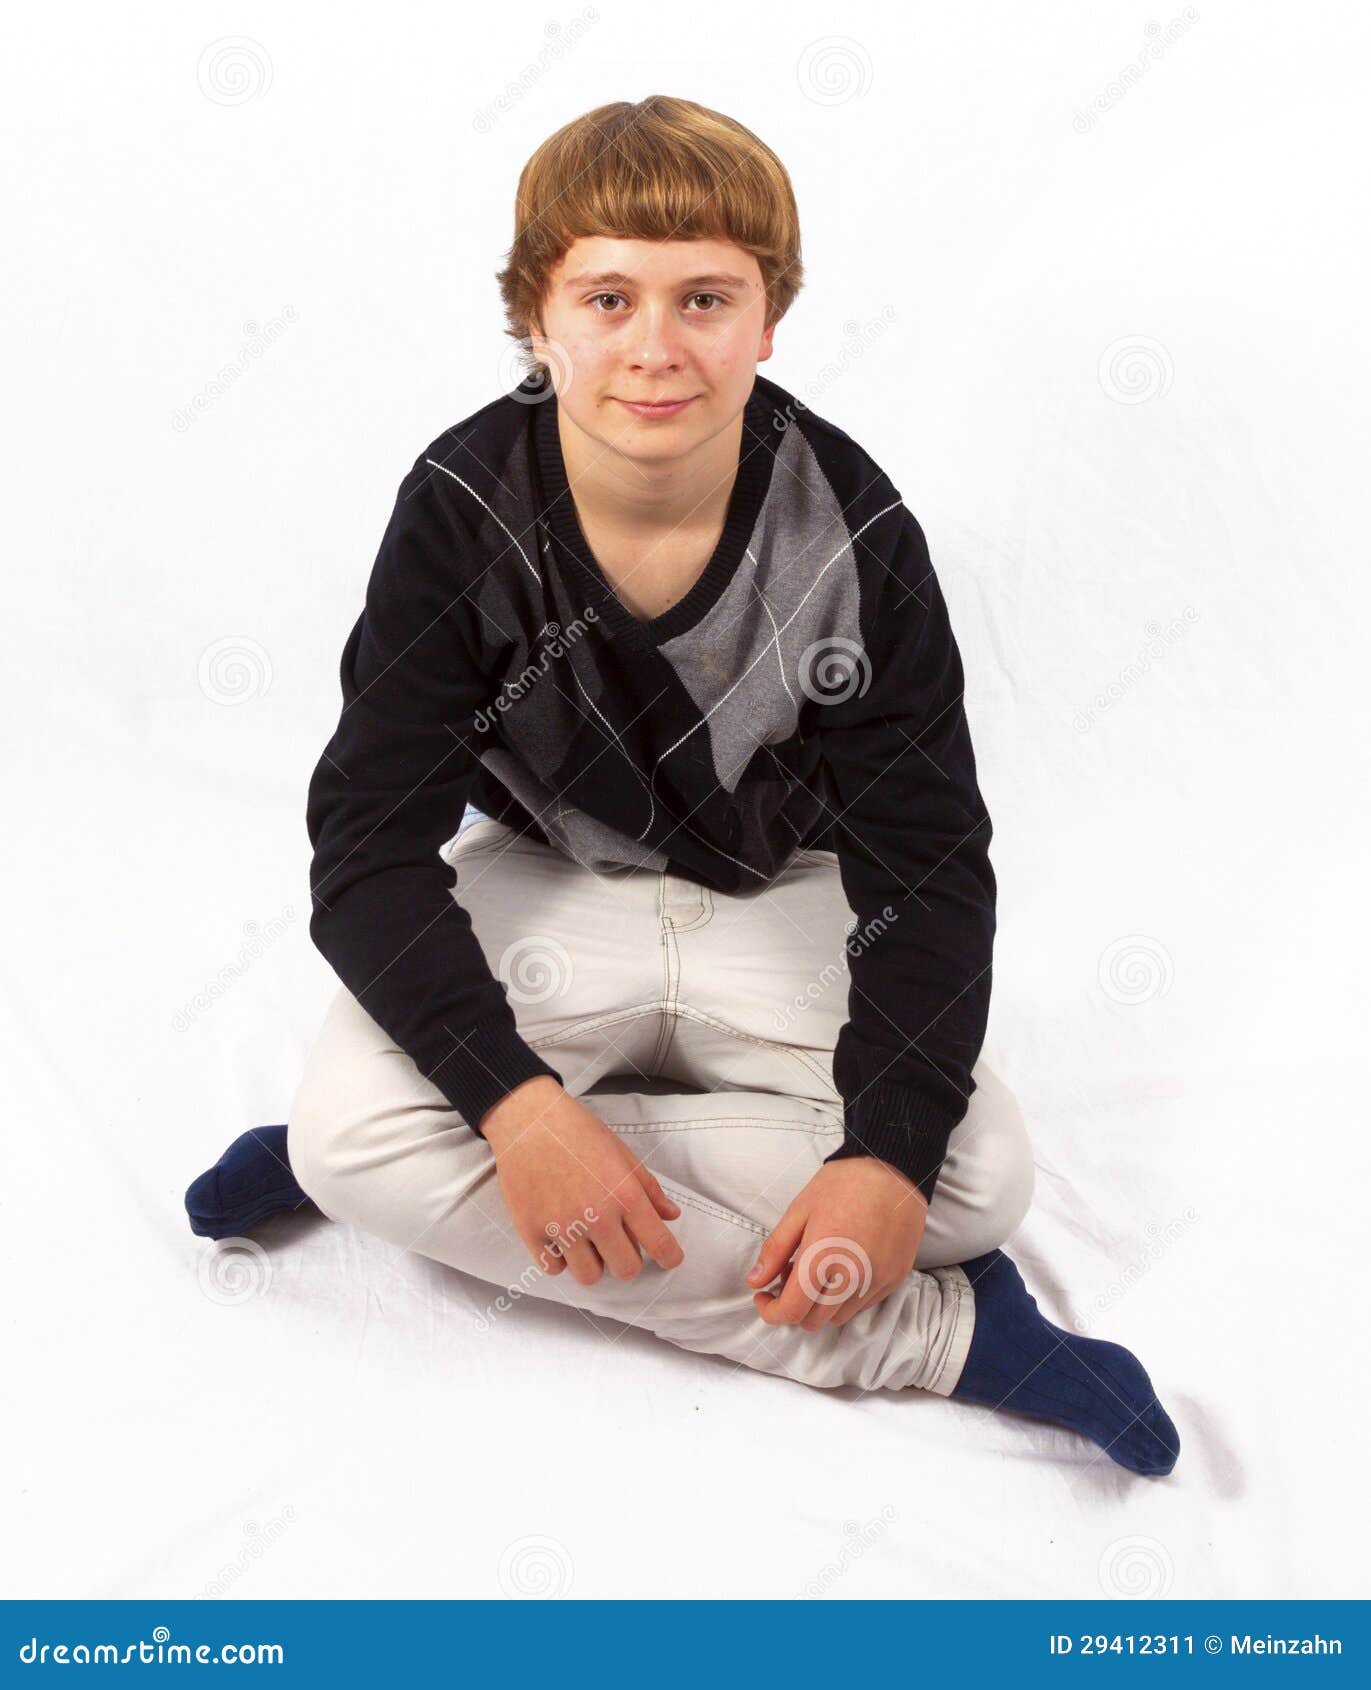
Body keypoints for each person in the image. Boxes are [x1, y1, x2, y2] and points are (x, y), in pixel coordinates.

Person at [189, 95, 1178, 1476]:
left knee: (975, 1176)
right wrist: (518, 1107)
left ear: (769, 318)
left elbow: (931, 864)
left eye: (705, 297)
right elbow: (365, 843)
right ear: (538, 319)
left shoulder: (853, 525)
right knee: (357, 1136)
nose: (656, 346)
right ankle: (934, 1335)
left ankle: (398, 1153)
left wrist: (883, 1160)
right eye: (609, 298)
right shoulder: (461, 508)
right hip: (551, 887)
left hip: (781, 897)